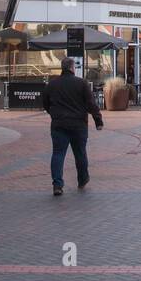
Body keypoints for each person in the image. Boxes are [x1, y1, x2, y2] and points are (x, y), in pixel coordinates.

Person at [42, 57, 104, 196]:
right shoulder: (81, 83)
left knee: (58, 154)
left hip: (59, 124)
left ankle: (57, 184)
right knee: (80, 153)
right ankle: (82, 179)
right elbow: (91, 104)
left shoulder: (52, 84)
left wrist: (53, 113)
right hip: (78, 124)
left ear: (62, 68)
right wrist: (98, 120)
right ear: (72, 68)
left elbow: (45, 102)